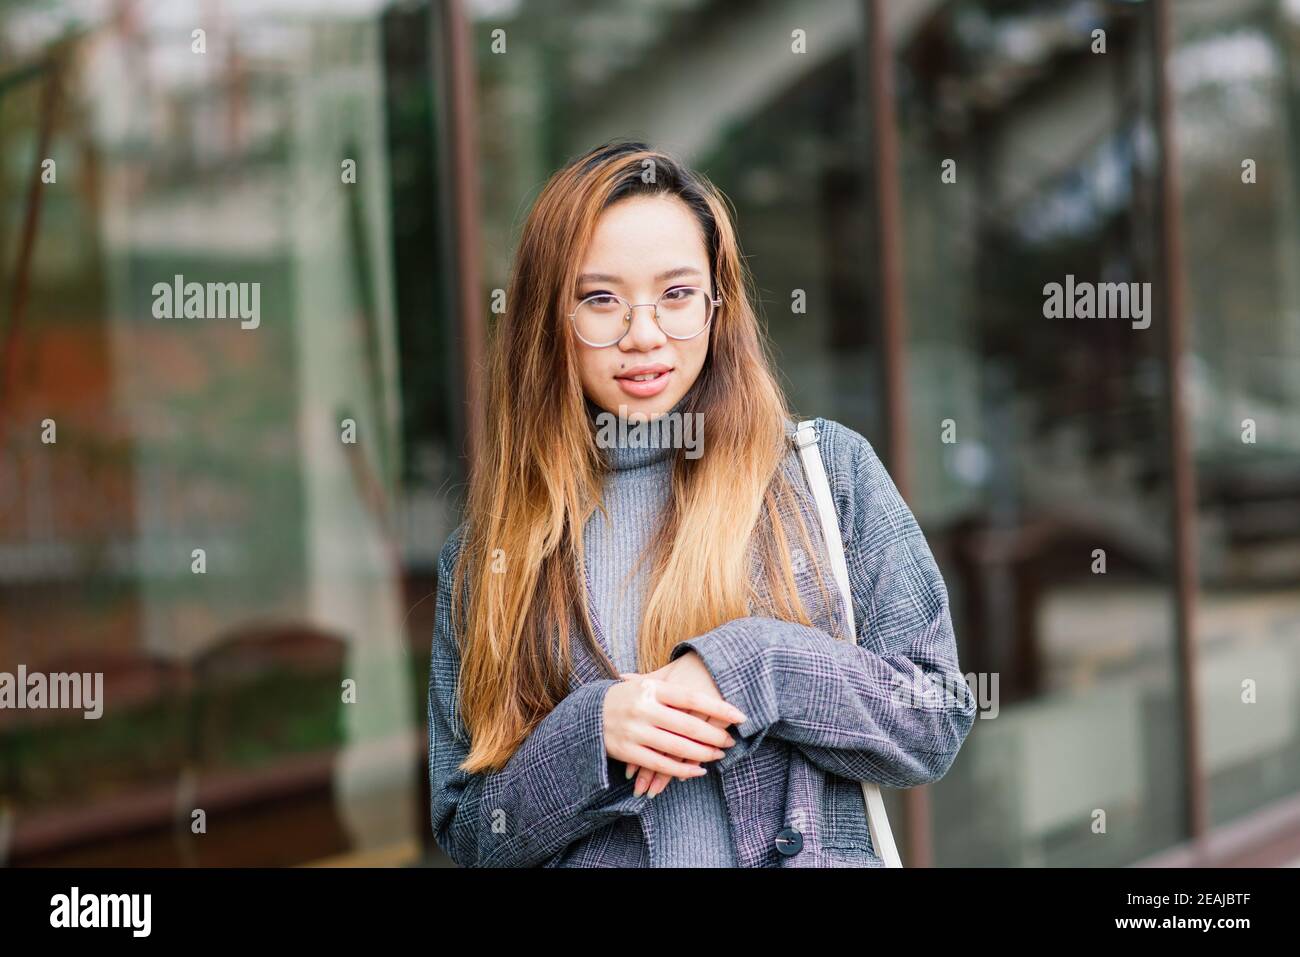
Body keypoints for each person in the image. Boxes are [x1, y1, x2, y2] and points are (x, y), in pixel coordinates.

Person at [427, 140, 976, 867]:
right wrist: (591, 732)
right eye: (600, 299)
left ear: (718, 305)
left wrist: (758, 662)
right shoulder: (486, 557)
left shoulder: (823, 473)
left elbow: (934, 718)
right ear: (547, 318)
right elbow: (469, 835)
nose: (644, 335)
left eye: (677, 294)